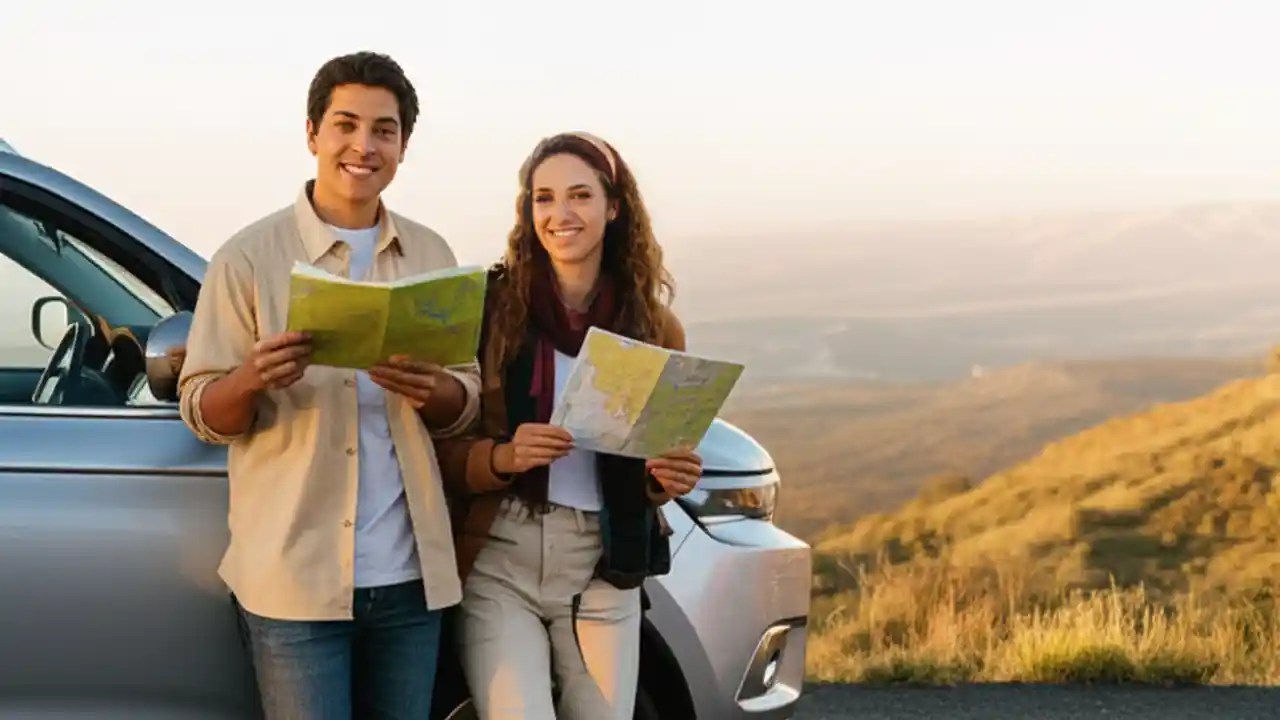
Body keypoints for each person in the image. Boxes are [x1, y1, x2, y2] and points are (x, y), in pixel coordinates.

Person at [177, 51, 480, 719]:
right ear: (312, 133)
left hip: (410, 581)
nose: (364, 146)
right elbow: (201, 408)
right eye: (346, 125)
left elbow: (466, 400)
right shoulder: (248, 258)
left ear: (403, 145)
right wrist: (253, 378)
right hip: (292, 586)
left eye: (384, 129)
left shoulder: (431, 255)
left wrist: (434, 392)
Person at [435, 131, 703, 719]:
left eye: (579, 195)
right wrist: (503, 457)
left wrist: (669, 476)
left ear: (614, 207)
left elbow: (651, 475)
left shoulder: (655, 327)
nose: (560, 214)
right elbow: (440, 447)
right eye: (543, 198)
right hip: (499, 554)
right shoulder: (488, 307)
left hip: (602, 562)